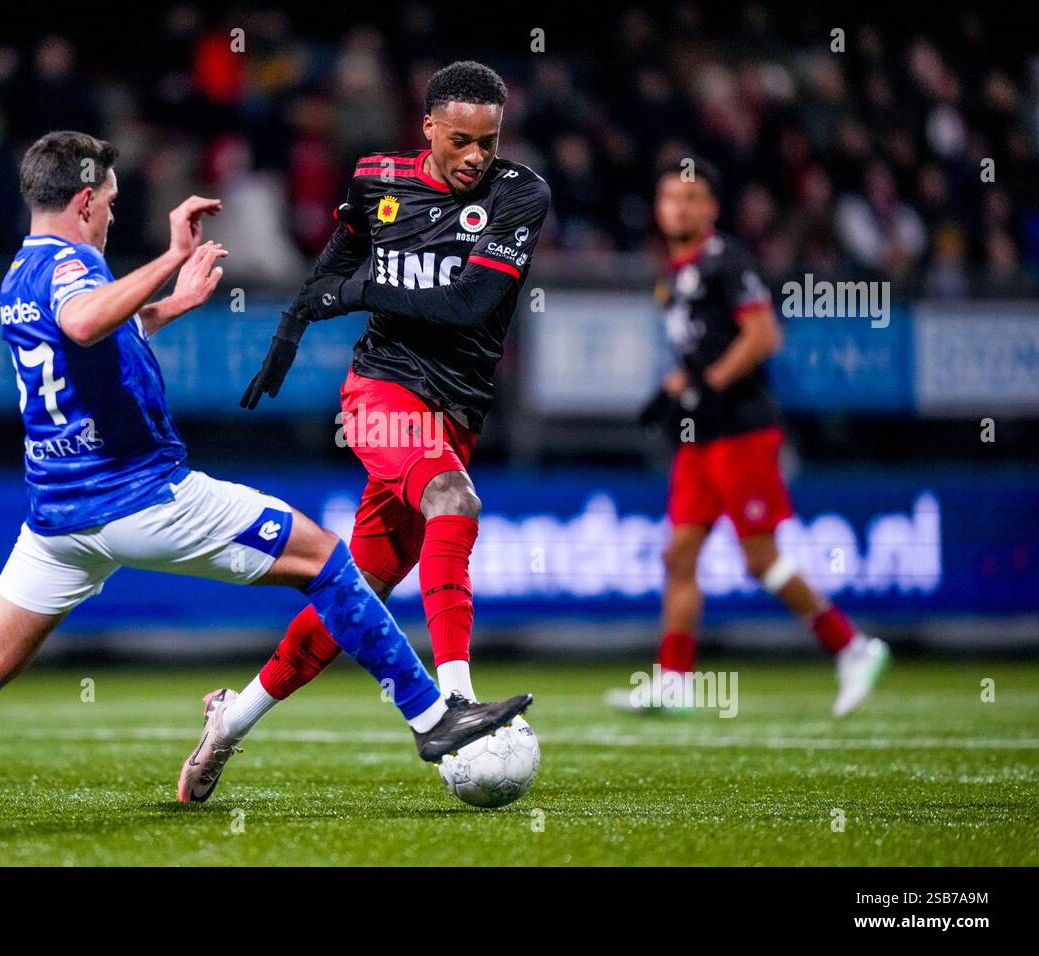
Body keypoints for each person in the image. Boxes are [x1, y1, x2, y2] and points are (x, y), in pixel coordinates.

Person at [0, 130, 531, 821]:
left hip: (58, 521)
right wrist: (168, 256)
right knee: (328, 561)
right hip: (143, 495)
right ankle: (436, 720)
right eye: (106, 202)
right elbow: (82, 323)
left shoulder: (18, 271)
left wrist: (170, 307)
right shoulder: (72, 265)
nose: (109, 215)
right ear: (81, 201)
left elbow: (89, 342)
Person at [178, 61, 550, 801]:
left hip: (454, 413)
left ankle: (232, 718)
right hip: (379, 392)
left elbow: (470, 304)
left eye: (489, 140)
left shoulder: (520, 195)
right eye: (461, 140)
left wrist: (350, 293)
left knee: (358, 596)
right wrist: (291, 325)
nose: (476, 156)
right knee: (454, 500)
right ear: (429, 130)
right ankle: (454, 702)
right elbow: (341, 252)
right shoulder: (377, 179)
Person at [609, 158, 889, 718]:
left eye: (690, 198)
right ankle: (675, 681)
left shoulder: (724, 260)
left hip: (741, 431)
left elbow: (764, 335)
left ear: (711, 208)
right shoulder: (674, 274)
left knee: (759, 559)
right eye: (669, 198)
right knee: (678, 553)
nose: (679, 208)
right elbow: (701, 351)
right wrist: (672, 390)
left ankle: (852, 646)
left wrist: (708, 385)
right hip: (703, 437)